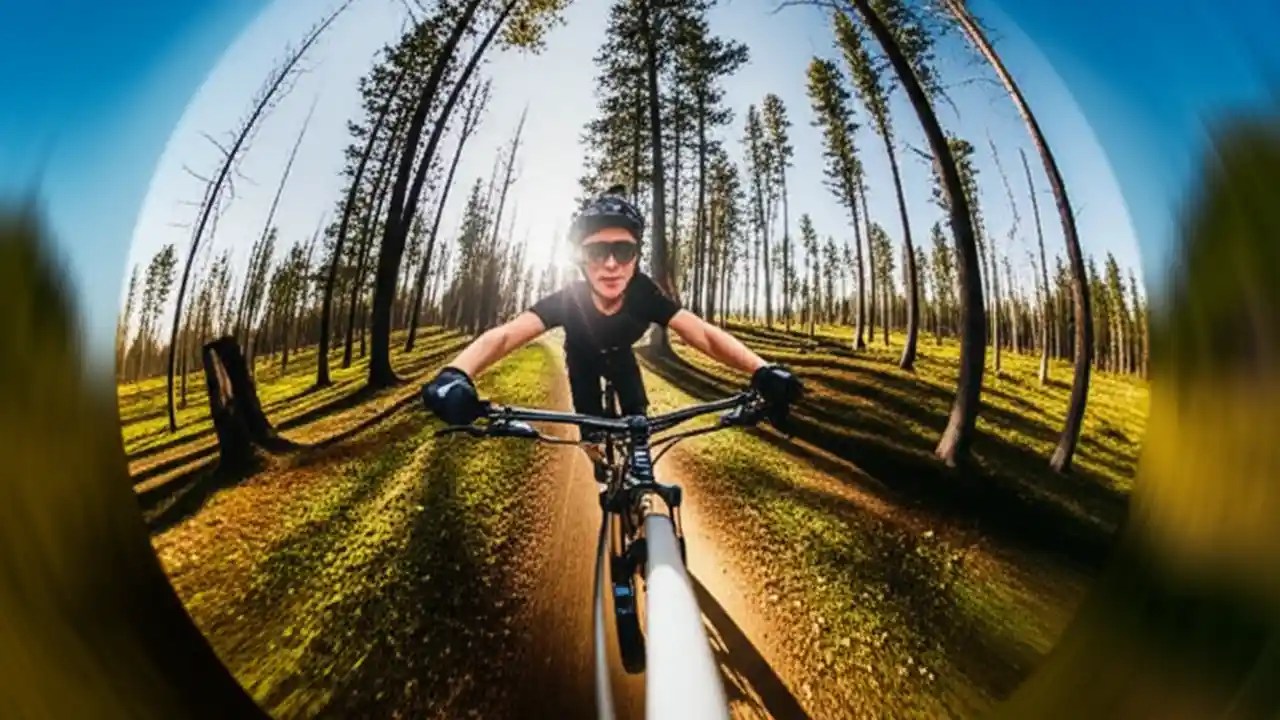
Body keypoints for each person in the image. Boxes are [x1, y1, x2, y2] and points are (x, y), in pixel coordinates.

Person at [421, 184, 802, 436]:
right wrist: (456, 373)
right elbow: (506, 335)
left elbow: (699, 332)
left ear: (636, 256)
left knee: (639, 429)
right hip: (582, 361)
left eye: (623, 251)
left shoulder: (644, 293)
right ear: (580, 260)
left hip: (621, 357)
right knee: (591, 437)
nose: (610, 264)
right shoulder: (568, 299)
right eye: (595, 252)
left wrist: (761, 370)